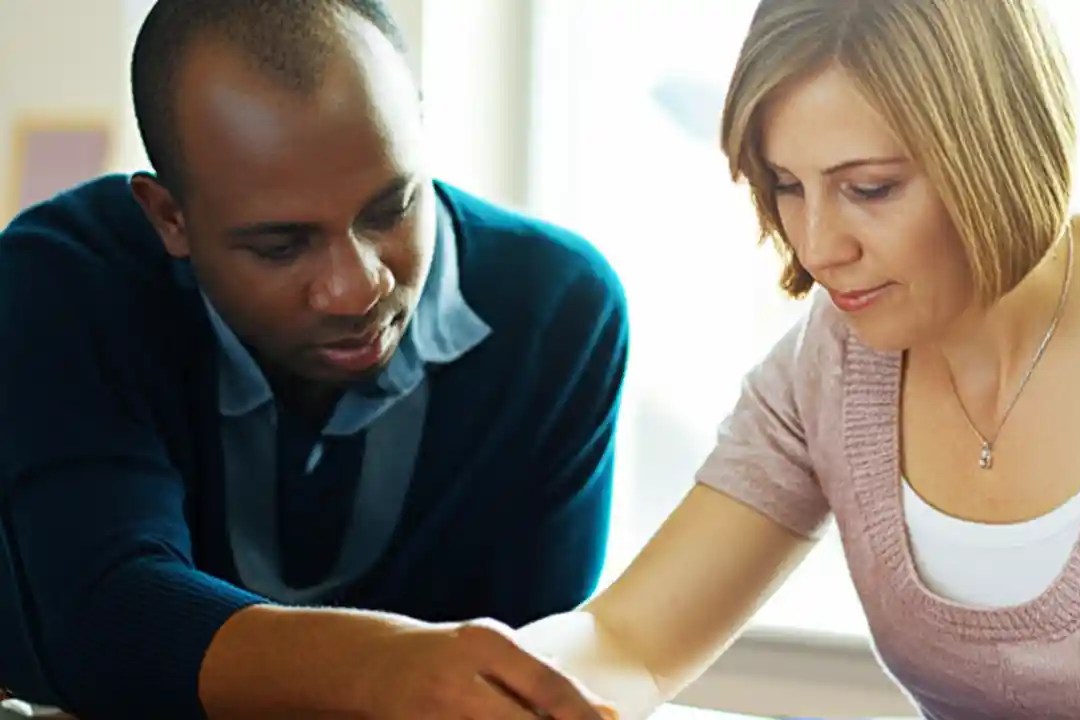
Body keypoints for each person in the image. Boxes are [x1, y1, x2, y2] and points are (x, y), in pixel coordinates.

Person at [512, 1, 1080, 718]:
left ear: (997, 147)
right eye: (787, 186)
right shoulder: (838, 357)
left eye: (870, 189)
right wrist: (453, 667)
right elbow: (630, 642)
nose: (817, 247)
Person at [0, 1, 626, 718]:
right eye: (280, 245)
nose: (358, 287)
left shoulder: (559, 310)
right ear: (169, 217)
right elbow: (103, 617)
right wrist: (381, 669)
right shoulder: (63, 280)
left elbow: (528, 666)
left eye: (391, 207)